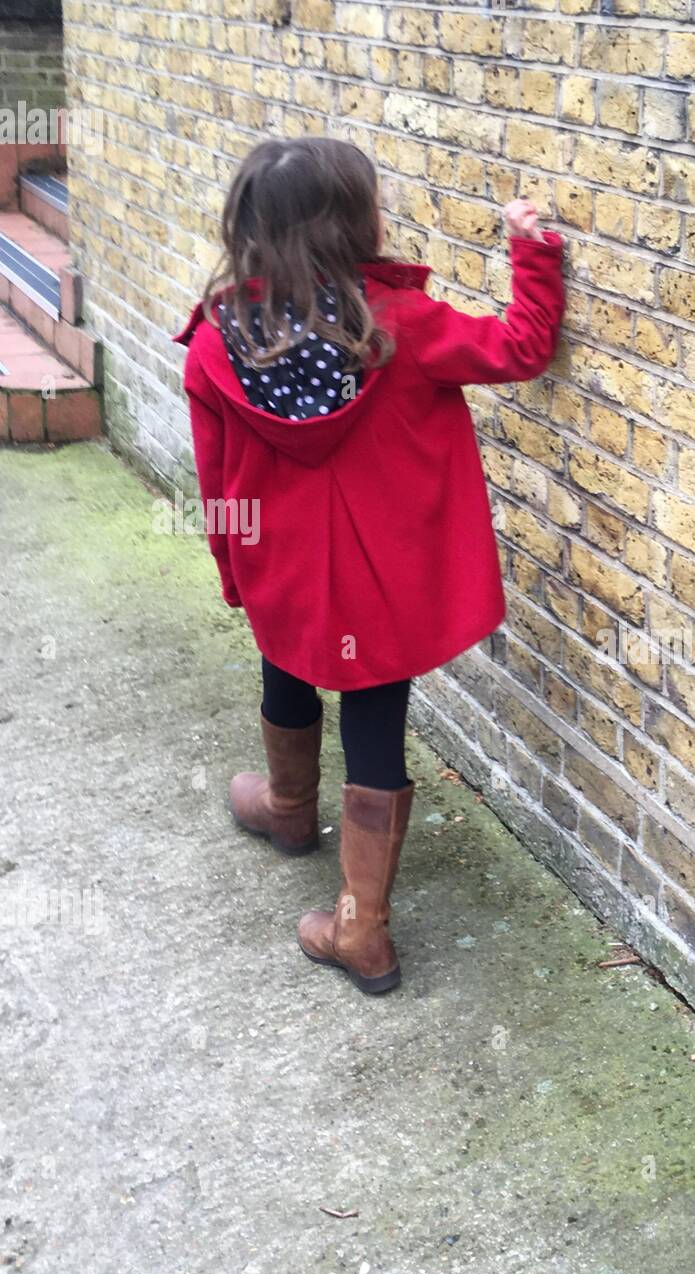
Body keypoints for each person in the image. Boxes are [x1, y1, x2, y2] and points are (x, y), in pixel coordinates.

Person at [174, 137, 565, 995]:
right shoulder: (403, 328)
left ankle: (287, 812)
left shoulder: (213, 345)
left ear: (245, 227)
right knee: (374, 717)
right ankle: (360, 925)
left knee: (284, 661)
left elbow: (215, 482)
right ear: (356, 220)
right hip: (381, 586)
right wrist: (532, 250)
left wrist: (233, 571)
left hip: (281, 565)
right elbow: (520, 348)